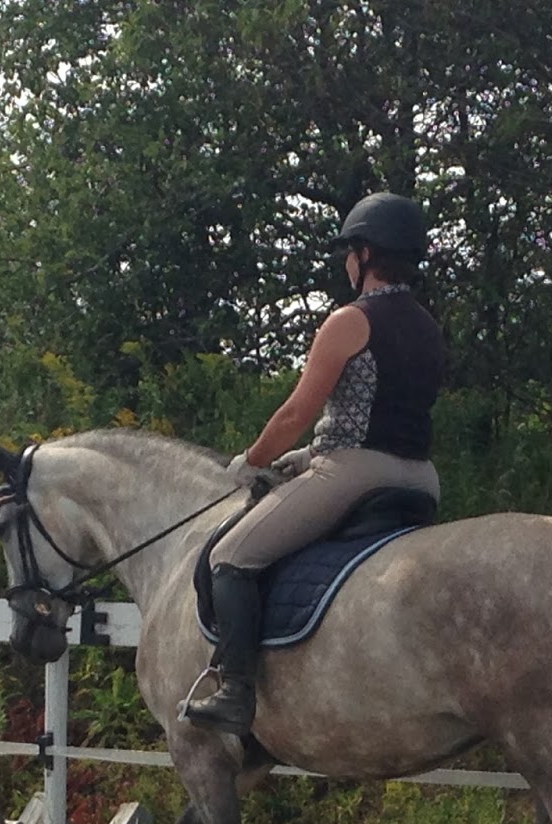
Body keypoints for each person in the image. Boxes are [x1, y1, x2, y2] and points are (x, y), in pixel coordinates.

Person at [183, 191, 446, 737]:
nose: (347, 262)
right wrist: (303, 458)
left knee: (230, 557)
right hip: (421, 477)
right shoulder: (427, 326)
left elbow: (297, 411)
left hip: (355, 475)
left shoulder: (351, 320)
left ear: (366, 253)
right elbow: (377, 414)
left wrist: (253, 460)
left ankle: (235, 690)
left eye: (350, 251)